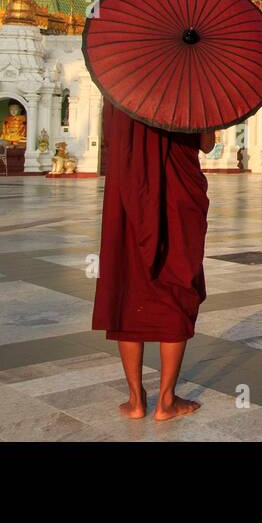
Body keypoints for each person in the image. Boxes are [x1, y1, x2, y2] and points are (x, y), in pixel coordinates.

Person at [92, 104, 217, 421]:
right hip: (177, 201)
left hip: (127, 200)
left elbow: (113, 143)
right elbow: (206, 144)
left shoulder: (118, 89)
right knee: (176, 287)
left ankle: (135, 400)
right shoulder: (192, 88)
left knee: (128, 287)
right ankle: (165, 401)